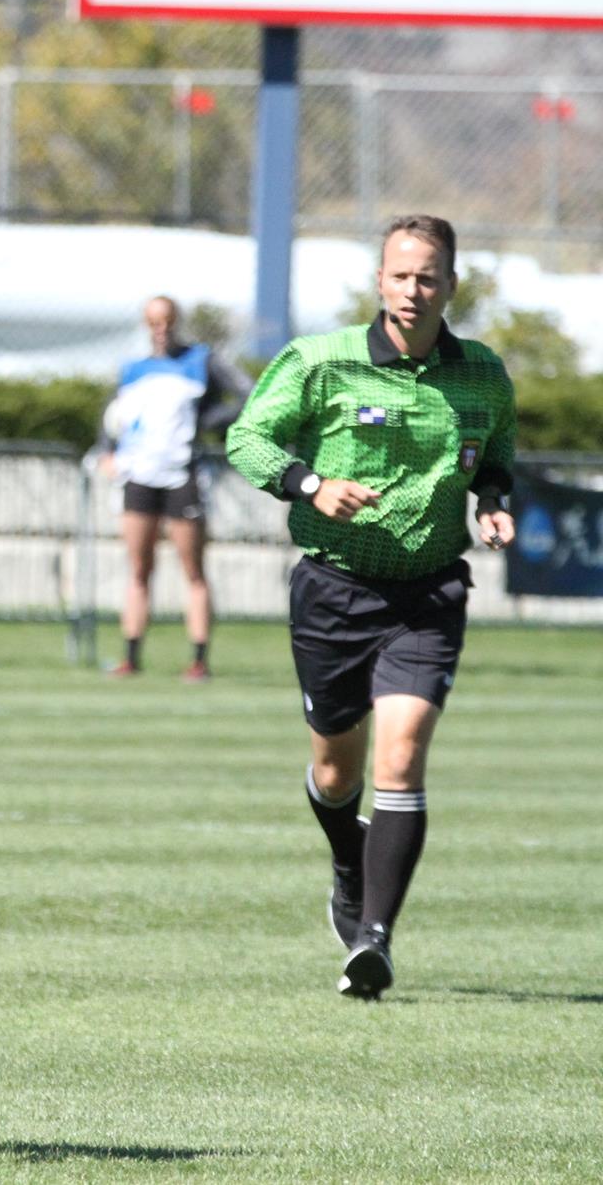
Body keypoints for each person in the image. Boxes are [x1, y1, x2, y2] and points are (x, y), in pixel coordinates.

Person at [227, 215, 516, 1000]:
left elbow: (495, 462)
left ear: (451, 285)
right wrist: (311, 484)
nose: (413, 290)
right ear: (379, 282)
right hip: (334, 589)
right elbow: (247, 438)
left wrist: (493, 502)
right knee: (333, 767)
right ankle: (347, 864)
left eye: (429, 277)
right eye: (400, 275)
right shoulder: (322, 362)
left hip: (427, 593)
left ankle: (375, 940)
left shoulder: (483, 375)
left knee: (403, 751)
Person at [98, 295, 251, 679]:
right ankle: (131, 656)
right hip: (140, 475)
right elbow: (114, 418)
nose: (160, 329)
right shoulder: (133, 370)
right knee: (138, 567)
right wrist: (108, 450)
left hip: (182, 473)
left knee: (193, 568)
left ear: (176, 322)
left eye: (166, 321)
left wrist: (206, 423)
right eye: (153, 322)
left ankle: (199, 659)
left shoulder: (200, 361)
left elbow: (247, 394)